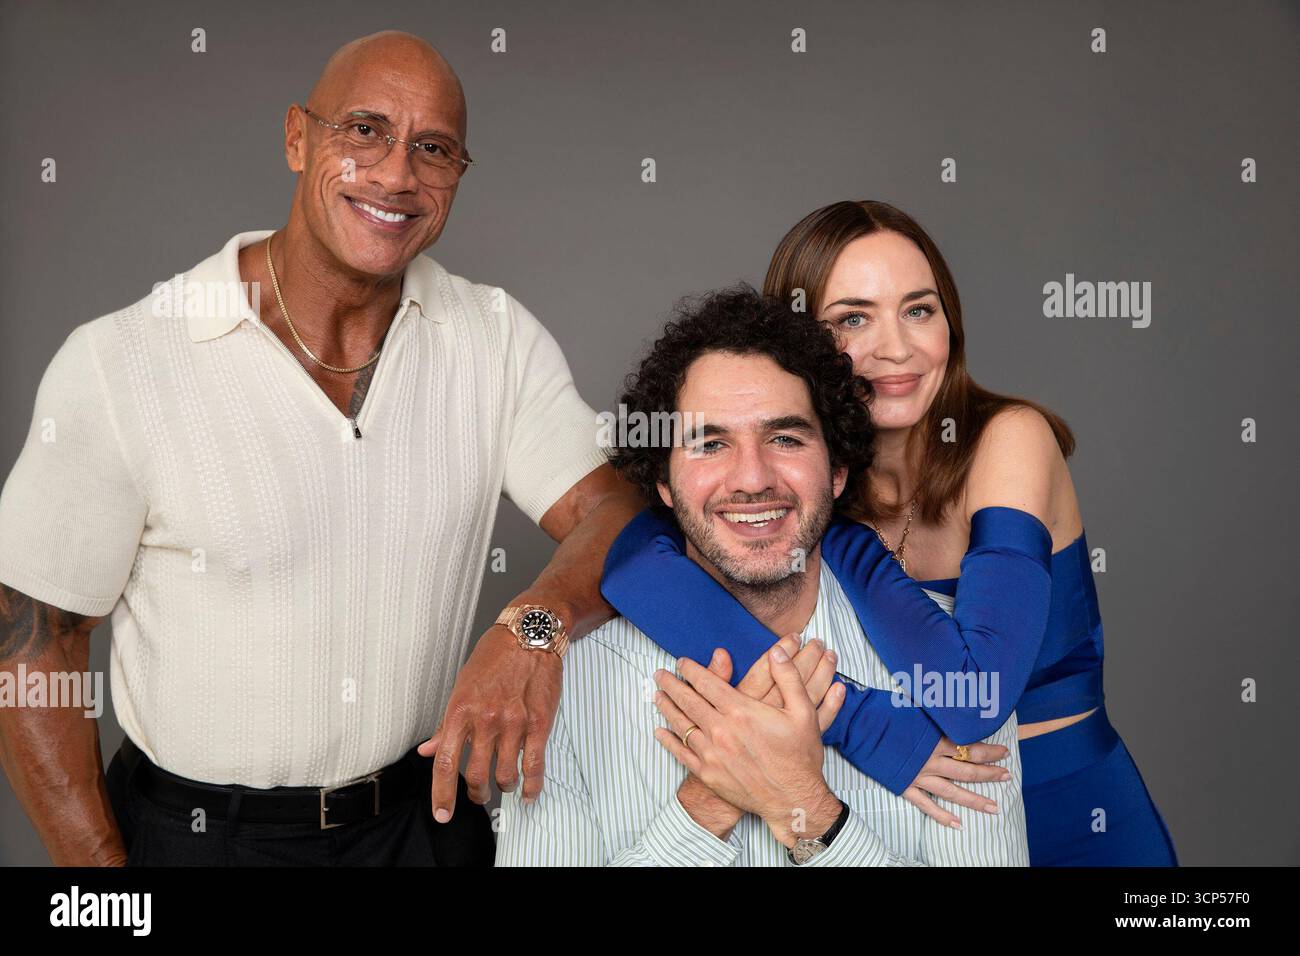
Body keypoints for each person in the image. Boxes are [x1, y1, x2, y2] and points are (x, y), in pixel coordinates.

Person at [0, 31, 646, 866]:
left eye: (433, 148)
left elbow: (616, 514)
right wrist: (100, 882)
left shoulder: (493, 338)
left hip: (423, 826)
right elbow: (31, 644)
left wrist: (532, 626)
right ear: (298, 138)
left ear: (456, 176)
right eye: (364, 130)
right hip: (196, 839)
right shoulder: (122, 361)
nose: (396, 173)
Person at [601, 200, 1179, 866]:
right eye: (853, 318)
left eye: (919, 309)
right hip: (918, 818)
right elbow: (632, 571)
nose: (897, 347)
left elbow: (977, 695)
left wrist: (851, 556)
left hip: (1073, 809)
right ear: (796, 346)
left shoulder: (1010, 439)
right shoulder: (802, 479)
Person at [496, 286, 1029, 866]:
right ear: (665, 486)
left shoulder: (946, 672)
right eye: (710, 443)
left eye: (784, 438)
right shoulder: (562, 687)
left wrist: (807, 809)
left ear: (838, 471)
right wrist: (705, 807)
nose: (752, 478)